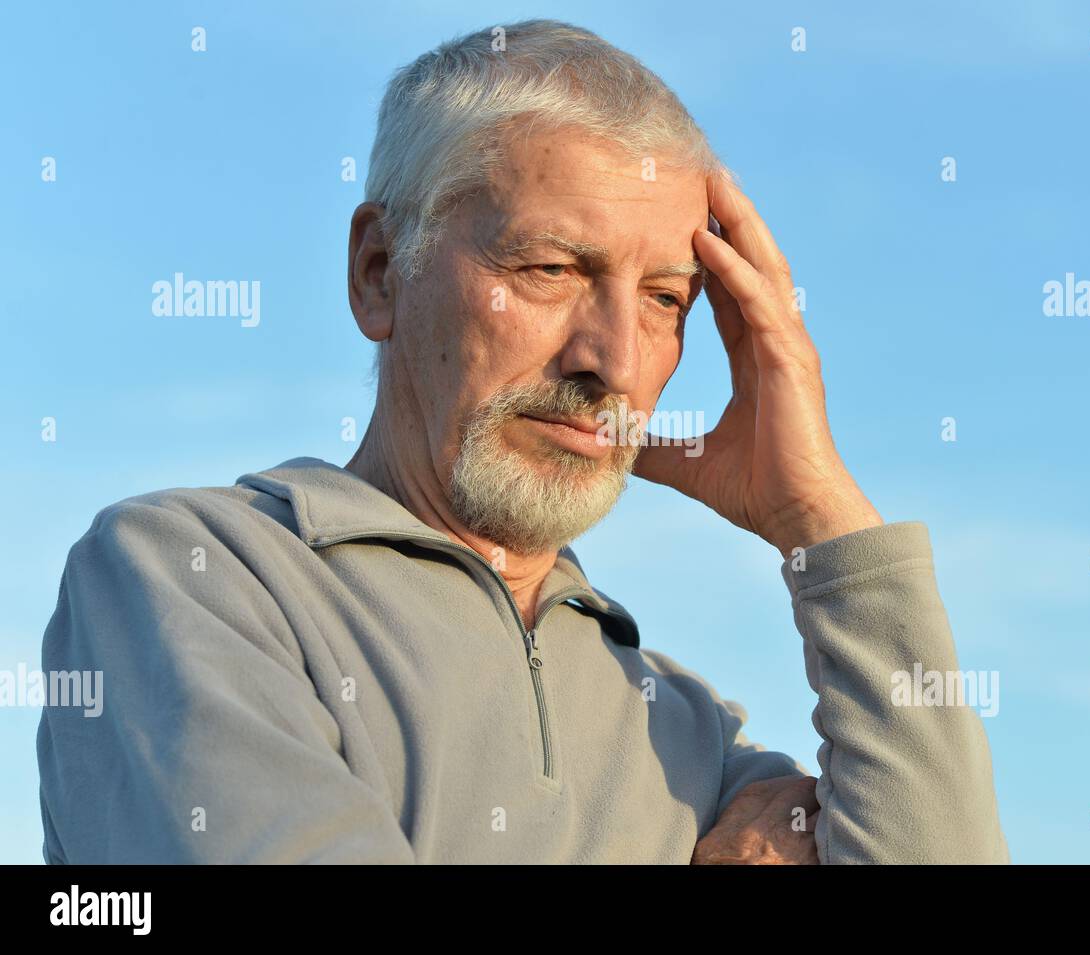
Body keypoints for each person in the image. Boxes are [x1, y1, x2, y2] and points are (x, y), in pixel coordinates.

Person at [36, 18, 1009, 864]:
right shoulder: (196, 577)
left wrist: (823, 521)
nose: (615, 359)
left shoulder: (688, 733)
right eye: (547, 267)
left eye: (666, 298)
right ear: (380, 272)